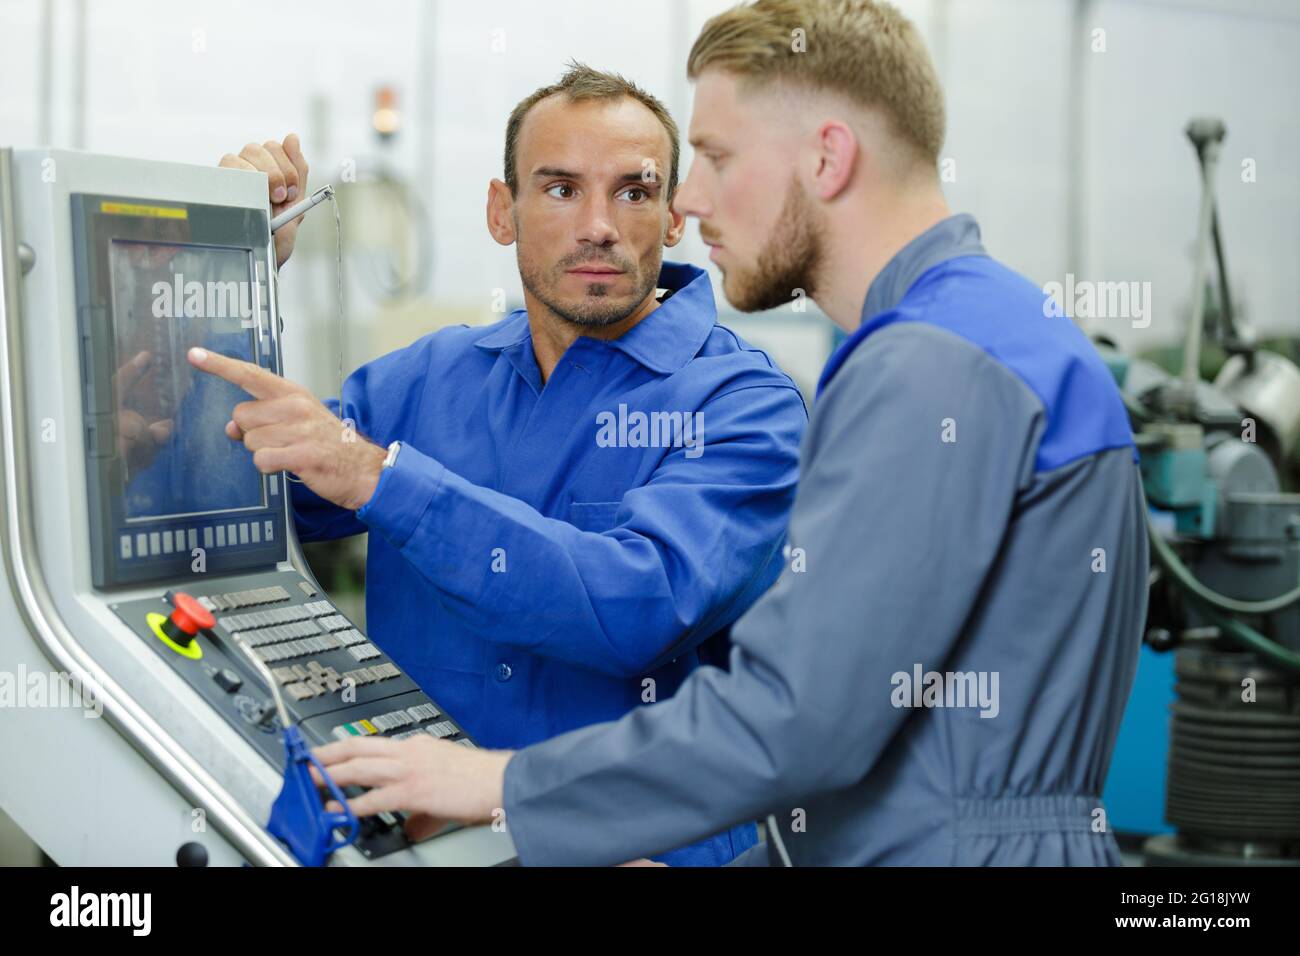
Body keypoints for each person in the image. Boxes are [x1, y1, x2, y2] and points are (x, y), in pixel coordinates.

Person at [309, 0, 1149, 866]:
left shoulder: (926, 363)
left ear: (827, 158)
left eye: (713, 157)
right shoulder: (994, 327)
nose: (690, 199)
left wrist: (500, 789)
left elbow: (798, 721)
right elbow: (872, 752)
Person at [195, 63, 807, 866]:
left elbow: (641, 609)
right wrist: (233, 266)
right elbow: (226, 500)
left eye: (633, 192)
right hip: (418, 844)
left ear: (671, 219)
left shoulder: (743, 406)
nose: (599, 225)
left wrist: (386, 480)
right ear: (501, 211)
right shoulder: (423, 379)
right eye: (559, 189)